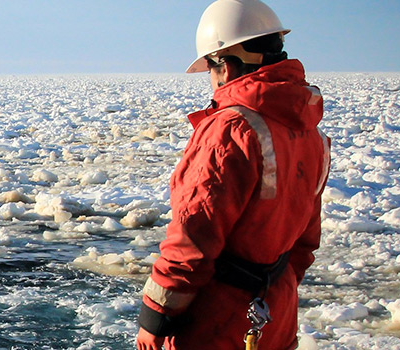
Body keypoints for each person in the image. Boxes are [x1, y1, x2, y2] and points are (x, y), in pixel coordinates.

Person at [136, 0, 330, 349]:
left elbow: (193, 237)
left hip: (219, 323)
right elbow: (304, 242)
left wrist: (155, 318)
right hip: (276, 313)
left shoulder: (230, 130)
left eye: (210, 69)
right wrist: (273, 290)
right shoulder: (310, 133)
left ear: (225, 65)